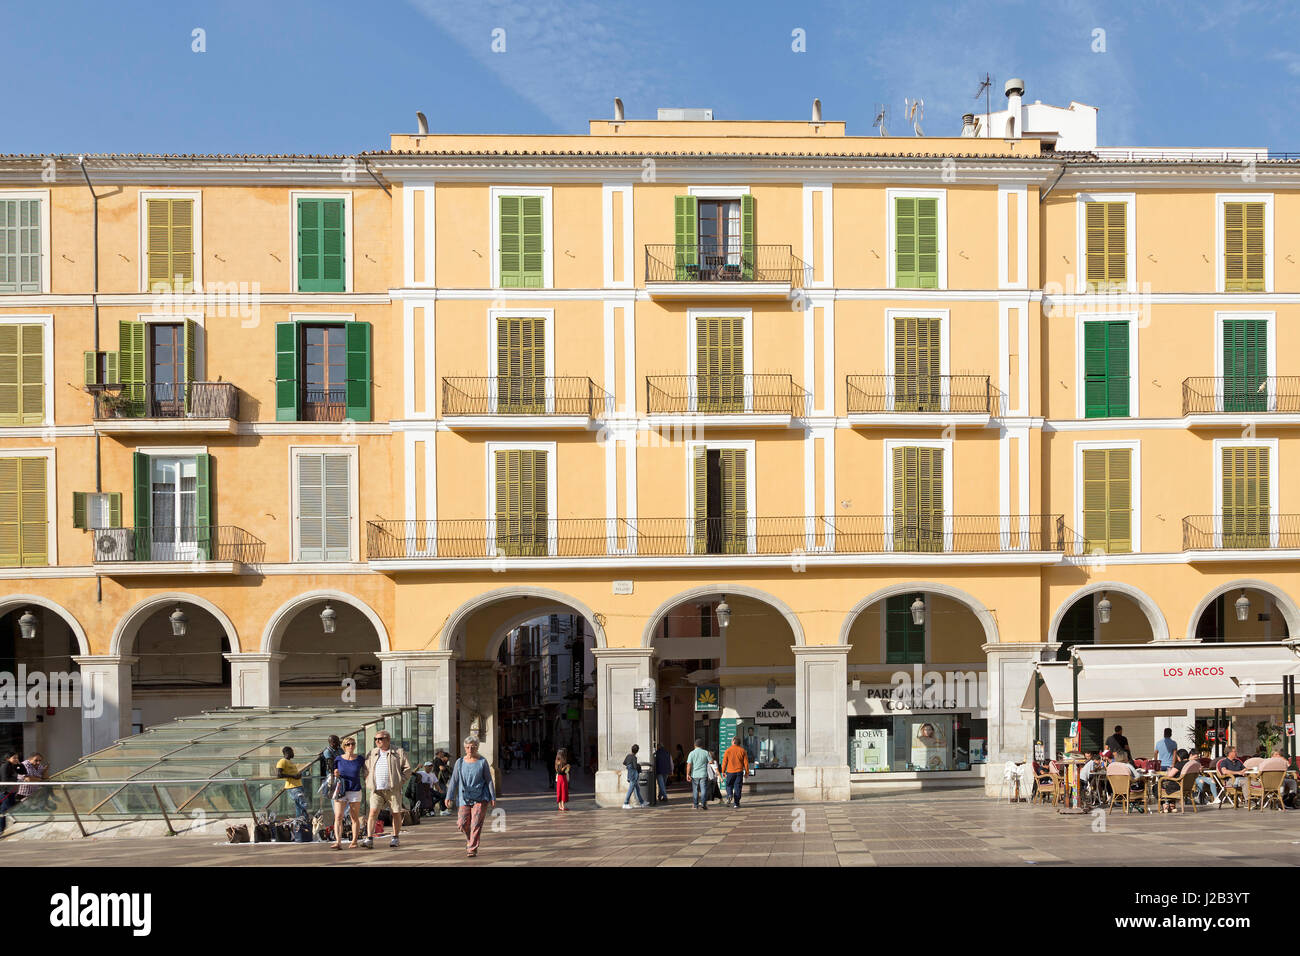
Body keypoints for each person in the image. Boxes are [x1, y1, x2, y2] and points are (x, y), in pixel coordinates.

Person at [445, 736, 495, 858]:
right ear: (464, 748)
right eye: (467, 747)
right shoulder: (460, 762)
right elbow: (454, 780)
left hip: (481, 797)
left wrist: (492, 796)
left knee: (476, 823)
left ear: (477, 747)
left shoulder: (482, 761)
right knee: (462, 823)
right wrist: (449, 796)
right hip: (464, 797)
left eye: (473, 747)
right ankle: (470, 838)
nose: (470, 749)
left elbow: (488, 780)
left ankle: (472, 847)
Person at [361, 729, 411, 849]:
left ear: (387, 739)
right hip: (376, 789)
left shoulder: (398, 752)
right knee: (373, 812)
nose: (377, 741)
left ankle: (395, 837)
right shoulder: (372, 752)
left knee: (395, 813)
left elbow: (407, 769)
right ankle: (369, 838)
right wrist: (368, 780)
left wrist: (400, 781)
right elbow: (365, 769)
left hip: (393, 789)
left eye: (380, 739)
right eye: (376, 739)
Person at [330, 736, 365, 849]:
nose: (351, 746)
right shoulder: (338, 759)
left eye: (353, 744)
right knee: (338, 816)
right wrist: (335, 773)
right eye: (348, 744)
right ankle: (338, 842)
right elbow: (333, 772)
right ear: (343, 746)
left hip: (355, 790)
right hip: (341, 790)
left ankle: (354, 841)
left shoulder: (359, 759)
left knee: (354, 817)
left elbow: (367, 771)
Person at [275, 746, 312, 819]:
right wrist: (293, 776)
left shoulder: (290, 762)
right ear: (287, 752)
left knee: (299, 806)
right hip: (293, 787)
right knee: (303, 803)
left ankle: (300, 822)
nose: (293, 753)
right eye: (292, 751)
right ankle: (305, 819)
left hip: (298, 786)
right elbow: (279, 775)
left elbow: (293, 774)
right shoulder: (282, 761)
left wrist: (297, 775)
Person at [721, 734, 750, 808]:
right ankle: (736, 804)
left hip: (730, 772)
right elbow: (746, 763)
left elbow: (724, 762)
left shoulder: (728, 750)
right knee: (738, 787)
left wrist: (723, 771)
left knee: (728, 785)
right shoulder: (743, 750)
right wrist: (747, 772)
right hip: (739, 772)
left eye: (732, 741)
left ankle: (729, 795)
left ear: (733, 741)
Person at [0, 751, 23, 834]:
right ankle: (1, 828)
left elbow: (23, 771)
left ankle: (1, 829)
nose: (16, 759)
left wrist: (19, 763)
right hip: (5, 791)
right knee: (8, 808)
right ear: (7, 758)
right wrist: (17, 778)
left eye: (17, 758)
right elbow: (5, 780)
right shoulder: (5, 766)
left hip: (11, 791)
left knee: (3, 810)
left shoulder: (13, 765)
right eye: (14, 758)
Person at [318, 735, 343, 808]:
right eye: (337, 741)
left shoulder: (339, 750)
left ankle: (344, 815)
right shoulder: (327, 751)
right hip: (333, 776)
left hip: (341, 774)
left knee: (342, 793)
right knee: (334, 794)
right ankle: (336, 813)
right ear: (332, 743)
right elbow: (330, 765)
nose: (339, 742)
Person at [686, 738, 711, 810]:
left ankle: (695, 805)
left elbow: (689, 765)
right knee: (703, 789)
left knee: (695, 790)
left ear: (695, 745)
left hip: (694, 775)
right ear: (702, 745)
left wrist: (688, 774)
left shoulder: (691, 753)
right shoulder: (706, 752)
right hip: (703, 774)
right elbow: (711, 761)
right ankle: (703, 804)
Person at [622, 744, 646, 808]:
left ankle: (642, 802)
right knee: (630, 790)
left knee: (637, 789)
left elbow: (624, 763)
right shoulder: (634, 757)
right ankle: (625, 803)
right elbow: (635, 767)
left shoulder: (628, 756)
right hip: (634, 776)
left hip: (629, 774)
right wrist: (638, 766)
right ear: (637, 751)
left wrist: (629, 765)